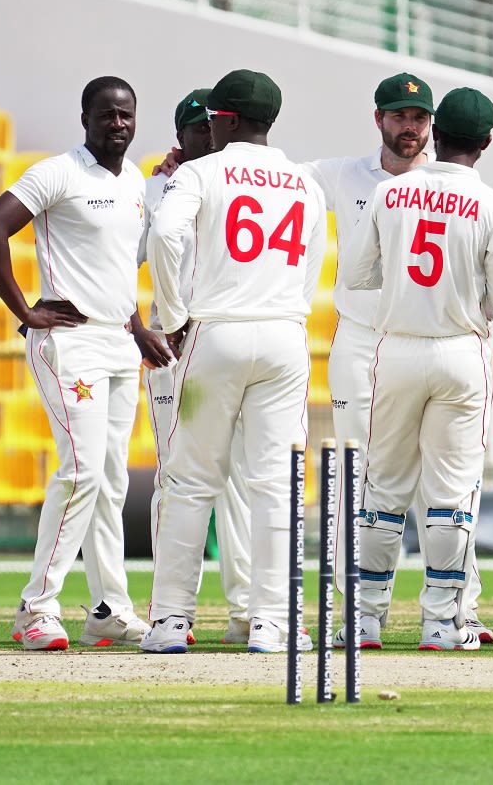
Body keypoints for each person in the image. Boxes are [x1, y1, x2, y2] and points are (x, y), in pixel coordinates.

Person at [304, 72, 493, 650]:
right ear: (485, 141)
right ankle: (441, 623)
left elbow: (354, 275)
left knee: (381, 491)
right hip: (460, 351)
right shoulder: (492, 202)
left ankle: (365, 619)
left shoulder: (389, 193)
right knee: (450, 496)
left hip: (391, 349)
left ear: (436, 131)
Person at [0, 75, 168, 650]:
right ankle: (36, 607)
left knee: (108, 479)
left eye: (126, 114)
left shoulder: (133, 180)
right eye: (106, 114)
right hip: (69, 341)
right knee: (81, 471)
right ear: (85, 118)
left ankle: (108, 609)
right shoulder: (57, 172)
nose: (117, 124)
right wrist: (24, 309)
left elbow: (114, 273)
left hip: (116, 342)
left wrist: (136, 329)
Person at [142, 69, 327, 654]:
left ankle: (172, 620)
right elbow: (314, 261)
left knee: (191, 480)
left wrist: (172, 315)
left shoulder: (200, 172)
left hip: (215, 332)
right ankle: (272, 621)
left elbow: (168, 235)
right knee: (275, 485)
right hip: (284, 337)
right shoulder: (304, 182)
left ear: (223, 119)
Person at [137, 88, 253, 645]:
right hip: (174, 347)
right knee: (178, 477)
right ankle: (171, 610)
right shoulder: (161, 186)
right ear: (180, 137)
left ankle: (245, 612)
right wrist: (143, 326)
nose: (209, 138)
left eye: (215, 126)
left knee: (239, 482)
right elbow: (124, 256)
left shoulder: (238, 183)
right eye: (197, 129)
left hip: (224, 341)